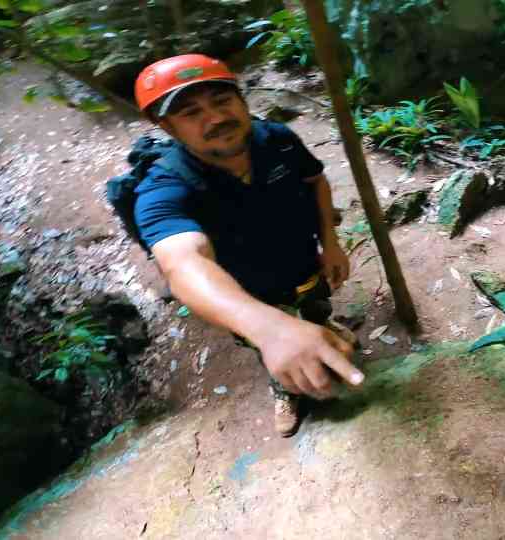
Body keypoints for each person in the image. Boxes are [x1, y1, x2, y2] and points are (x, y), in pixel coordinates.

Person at [131, 54, 364, 437]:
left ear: (241, 100)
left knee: (315, 304)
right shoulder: (163, 188)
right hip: (248, 294)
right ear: (166, 126)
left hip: (303, 262)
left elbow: (315, 182)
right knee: (265, 343)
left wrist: (331, 244)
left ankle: (320, 327)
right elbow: (182, 263)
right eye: (191, 112)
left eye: (222, 101)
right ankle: (285, 387)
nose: (215, 118)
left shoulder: (277, 141)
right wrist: (267, 328)